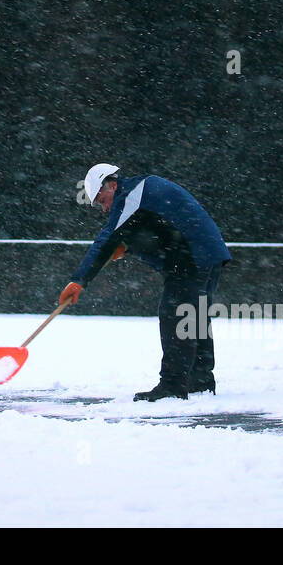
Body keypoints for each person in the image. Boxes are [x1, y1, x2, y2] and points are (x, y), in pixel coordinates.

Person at [59, 163, 231, 402]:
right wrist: (128, 245)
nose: (103, 207)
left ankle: (172, 385)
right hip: (207, 253)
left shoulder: (132, 194)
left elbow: (108, 236)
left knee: (176, 314)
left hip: (192, 257)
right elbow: (156, 229)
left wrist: (79, 280)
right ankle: (200, 379)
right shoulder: (143, 190)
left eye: (101, 200)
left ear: (112, 185)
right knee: (194, 315)